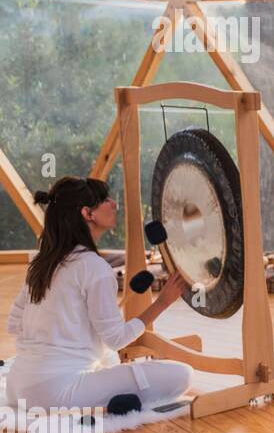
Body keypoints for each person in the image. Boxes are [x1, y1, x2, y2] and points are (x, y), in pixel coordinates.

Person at [5, 176, 191, 413]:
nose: (113, 203)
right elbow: (115, 340)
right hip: (54, 394)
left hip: (17, 386)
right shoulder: (93, 267)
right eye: (104, 200)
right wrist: (162, 302)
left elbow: (13, 324)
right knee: (182, 375)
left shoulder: (42, 263)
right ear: (87, 213)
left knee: (107, 361)